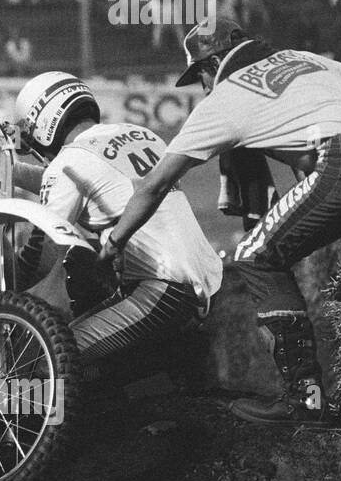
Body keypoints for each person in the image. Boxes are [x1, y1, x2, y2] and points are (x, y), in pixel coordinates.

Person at [100, 19, 341, 424]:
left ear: (213, 64)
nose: (203, 87)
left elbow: (153, 185)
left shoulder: (224, 99)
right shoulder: (300, 58)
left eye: (201, 76)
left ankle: (304, 399)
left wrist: (115, 243)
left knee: (255, 256)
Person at [12, 72, 223, 381]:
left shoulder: (66, 163)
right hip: (207, 279)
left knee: (52, 361)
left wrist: (2, 296)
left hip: (163, 289)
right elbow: (84, 177)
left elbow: (39, 252)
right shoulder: (141, 134)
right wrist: (13, 171)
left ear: (43, 126)